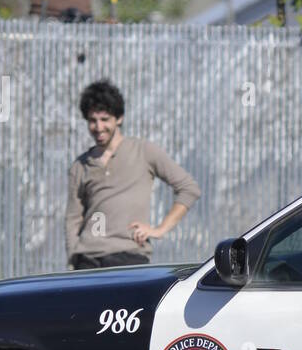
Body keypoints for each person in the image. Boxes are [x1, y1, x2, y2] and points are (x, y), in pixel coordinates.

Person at [66, 80, 201, 269]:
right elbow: (73, 218)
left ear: (119, 118)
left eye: (105, 119)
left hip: (129, 259)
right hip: (87, 262)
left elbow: (189, 189)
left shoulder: (144, 152)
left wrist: (159, 230)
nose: (98, 127)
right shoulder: (80, 166)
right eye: (92, 121)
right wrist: (73, 260)